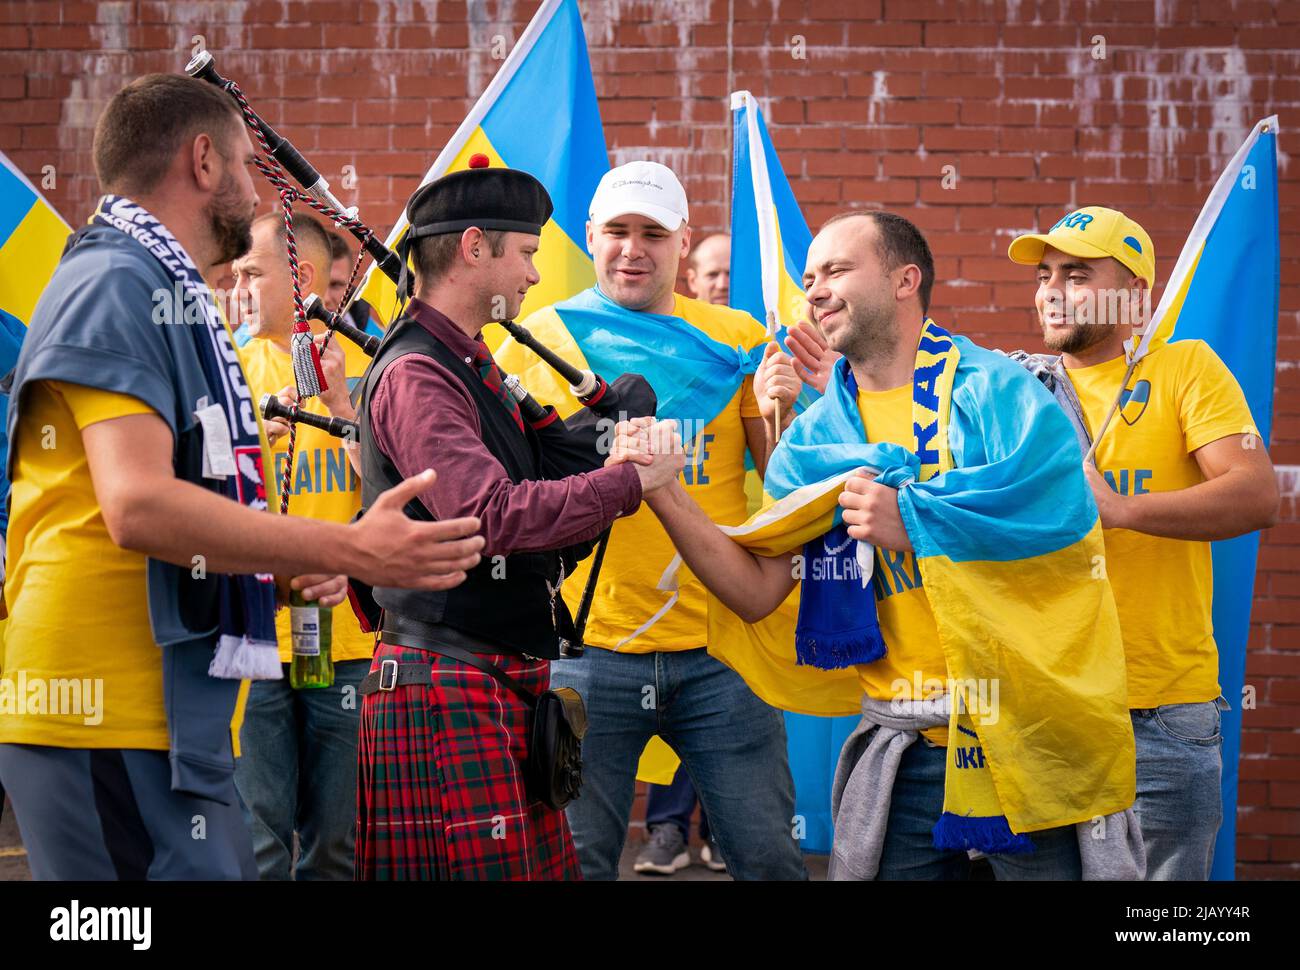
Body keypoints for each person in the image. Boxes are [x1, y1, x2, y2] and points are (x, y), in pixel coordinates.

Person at [0, 73, 484, 881]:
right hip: (98, 718)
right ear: (201, 161)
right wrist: (353, 547)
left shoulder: (154, 285)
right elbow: (138, 504)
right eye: (246, 168)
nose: (255, 190)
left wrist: (293, 563)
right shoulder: (115, 281)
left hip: (158, 718)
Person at [616, 209, 1142, 880]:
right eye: (809, 278)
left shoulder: (995, 391)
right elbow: (754, 592)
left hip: (1032, 741)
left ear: (904, 279)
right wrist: (665, 492)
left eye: (836, 270)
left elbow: (1062, 522)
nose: (814, 290)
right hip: (906, 758)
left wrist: (914, 521)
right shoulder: (812, 444)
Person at [353, 156, 683, 881]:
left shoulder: (468, 365)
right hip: (444, 681)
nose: (535, 275)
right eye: (527, 254)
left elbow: (545, 463)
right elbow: (490, 514)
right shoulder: (417, 375)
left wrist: (610, 431)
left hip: (486, 676)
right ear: (475, 248)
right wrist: (629, 480)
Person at [496, 161, 807, 881]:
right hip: (585, 644)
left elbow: (783, 481)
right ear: (590, 237)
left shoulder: (739, 338)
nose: (633, 249)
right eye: (617, 232)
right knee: (573, 863)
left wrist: (787, 403)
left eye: (653, 234)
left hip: (723, 645)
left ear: (682, 243)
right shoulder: (534, 340)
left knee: (768, 857)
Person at [1004, 206, 1280, 878]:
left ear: (1133, 294)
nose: (1051, 290)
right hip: (1048, 709)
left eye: (1076, 273)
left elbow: (1255, 493)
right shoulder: (1018, 388)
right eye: (1045, 275)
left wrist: (1121, 510)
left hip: (1160, 713)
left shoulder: (1185, 368)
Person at [231, 211, 373, 880]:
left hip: (343, 641)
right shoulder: (229, 366)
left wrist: (342, 407)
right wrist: (260, 450)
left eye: (251, 274)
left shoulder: (370, 364)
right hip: (257, 639)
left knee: (335, 840)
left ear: (301, 278)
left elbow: (391, 494)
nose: (238, 287)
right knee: (259, 835)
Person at [635, 232, 734, 875]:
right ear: (689, 274)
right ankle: (667, 830)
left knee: (726, 751)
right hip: (625, 615)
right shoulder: (618, 347)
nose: (723, 282)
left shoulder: (746, 343)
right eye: (713, 273)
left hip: (728, 595)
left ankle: (719, 834)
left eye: (733, 271)